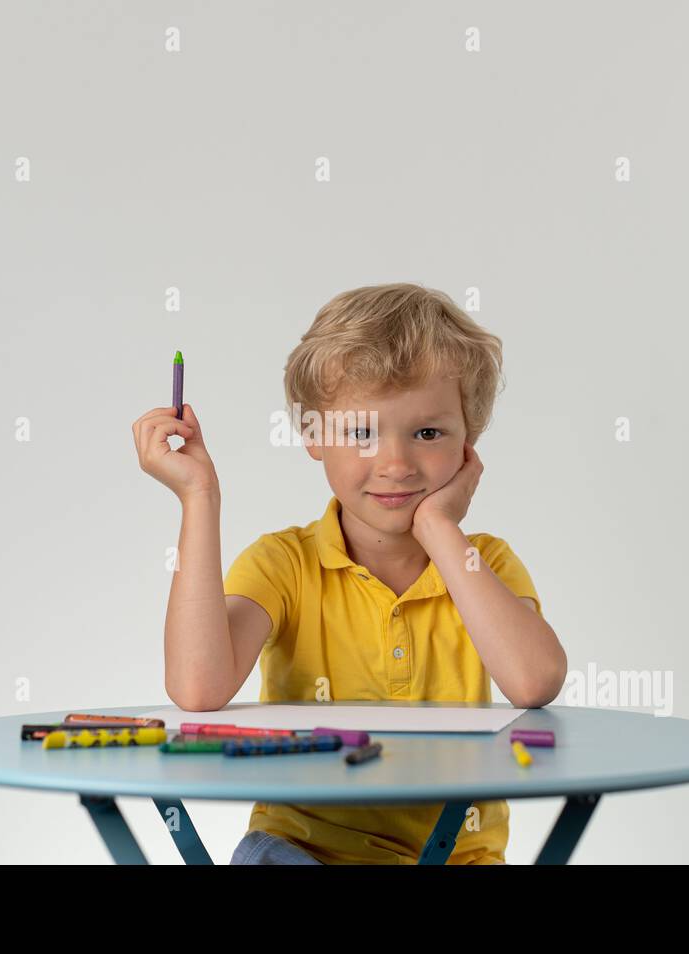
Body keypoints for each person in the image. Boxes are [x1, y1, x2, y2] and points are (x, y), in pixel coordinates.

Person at [131, 282, 567, 864]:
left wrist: (439, 528)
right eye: (361, 432)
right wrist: (199, 496)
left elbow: (535, 682)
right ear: (313, 437)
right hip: (302, 850)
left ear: (470, 443)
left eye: (428, 433)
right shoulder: (284, 563)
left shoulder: (482, 564)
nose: (395, 464)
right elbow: (197, 686)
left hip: (452, 856)